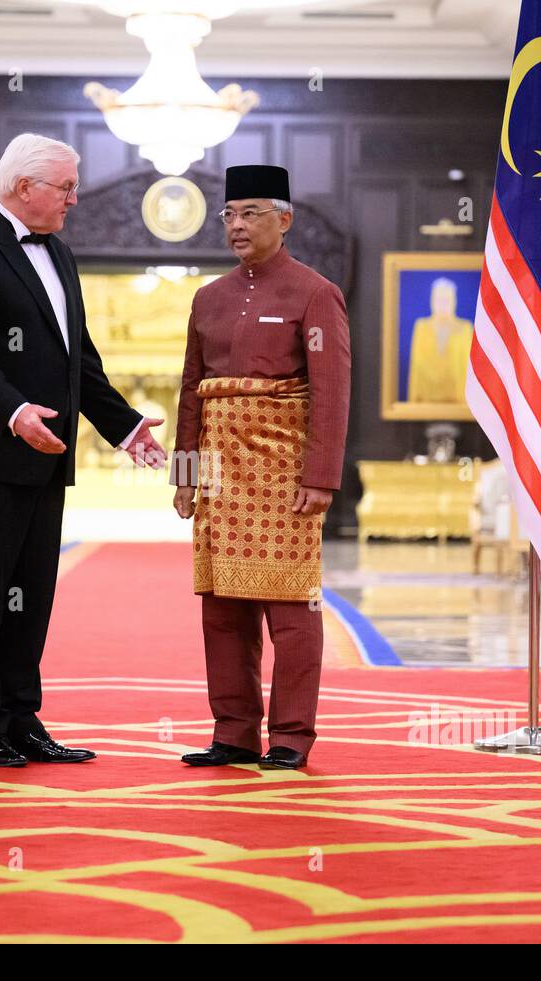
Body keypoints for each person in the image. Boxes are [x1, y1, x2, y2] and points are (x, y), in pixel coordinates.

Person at [0, 133, 166, 767]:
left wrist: (126, 428)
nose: (75, 199)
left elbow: (77, 362)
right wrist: (13, 411)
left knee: (30, 594)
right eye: (65, 188)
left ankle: (21, 718)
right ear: (22, 188)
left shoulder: (59, 254)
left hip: (45, 455)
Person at [170, 164, 351, 770]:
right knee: (221, 606)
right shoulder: (209, 298)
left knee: (291, 607)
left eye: (250, 213)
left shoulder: (314, 292)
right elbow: (192, 389)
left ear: (284, 219)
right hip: (218, 472)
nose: (237, 226)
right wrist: (186, 472)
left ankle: (293, 736)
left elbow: (332, 392)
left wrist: (321, 476)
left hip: (284, 474)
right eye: (229, 215)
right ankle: (234, 733)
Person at [405, 277, 472, 405]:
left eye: (447, 300)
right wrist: (413, 403)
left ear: (454, 301)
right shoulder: (421, 327)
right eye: (439, 300)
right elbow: (416, 369)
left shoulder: (465, 328)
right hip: (426, 402)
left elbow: (468, 368)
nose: (443, 304)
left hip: (458, 403)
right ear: (433, 301)